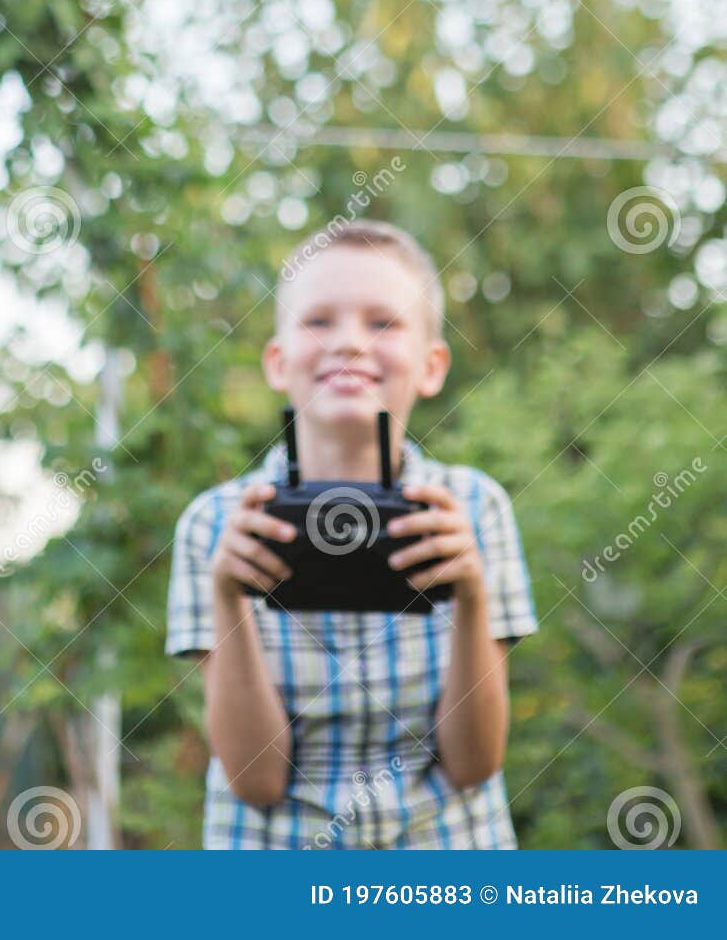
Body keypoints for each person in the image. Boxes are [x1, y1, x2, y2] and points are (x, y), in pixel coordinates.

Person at [165, 219, 537, 849]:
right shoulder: (217, 526)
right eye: (318, 321)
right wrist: (227, 597)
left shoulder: (476, 509)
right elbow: (255, 780)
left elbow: (473, 764)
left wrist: (472, 596)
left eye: (383, 323)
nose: (349, 343)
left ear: (431, 365)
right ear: (278, 362)